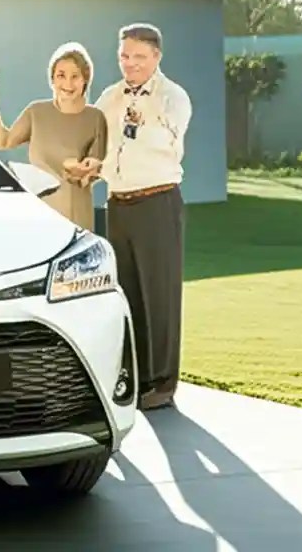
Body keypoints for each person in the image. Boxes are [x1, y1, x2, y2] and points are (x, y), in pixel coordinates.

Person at [93, 22, 192, 411]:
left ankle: (164, 384)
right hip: (119, 203)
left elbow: (170, 140)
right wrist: (91, 168)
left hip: (157, 201)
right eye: (124, 56)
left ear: (156, 57)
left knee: (160, 293)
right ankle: (137, 378)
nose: (129, 64)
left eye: (138, 56)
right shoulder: (110, 97)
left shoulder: (172, 97)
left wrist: (143, 109)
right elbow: (101, 144)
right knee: (128, 292)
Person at [0, 42, 108, 231]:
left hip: (76, 215)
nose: (68, 84)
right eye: (61, 76)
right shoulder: (36, 112)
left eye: (75, 77)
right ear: (52, 80)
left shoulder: (95, 118)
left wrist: (82, 169)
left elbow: (93, 170)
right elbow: (3, 141)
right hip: (39, 213)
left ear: (85, 80)